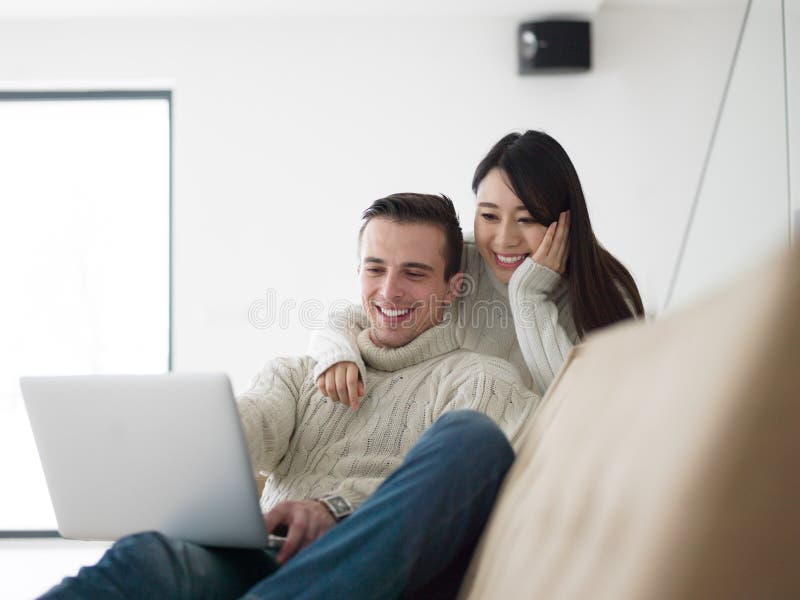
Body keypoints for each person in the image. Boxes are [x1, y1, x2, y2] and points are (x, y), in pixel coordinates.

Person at [41, 193, 538, 600]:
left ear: (453, 288)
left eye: (414, 273)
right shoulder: (300, 373)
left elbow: (462, 497)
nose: (389, 291)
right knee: (147, 556)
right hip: (261, 561)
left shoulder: (479, 381)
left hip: (365, 570)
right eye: (374, 269)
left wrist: (335, 508)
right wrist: (178, 444)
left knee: (473, 438)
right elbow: (251, 424)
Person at [312, 130, 644, 407]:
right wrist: (338, 354)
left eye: (526, 219)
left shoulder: (605, 294)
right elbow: (363, 313)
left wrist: (529, 297)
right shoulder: (463, 260)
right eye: (488, 216)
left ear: (565, 221)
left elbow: (583, 415)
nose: (504, 239)